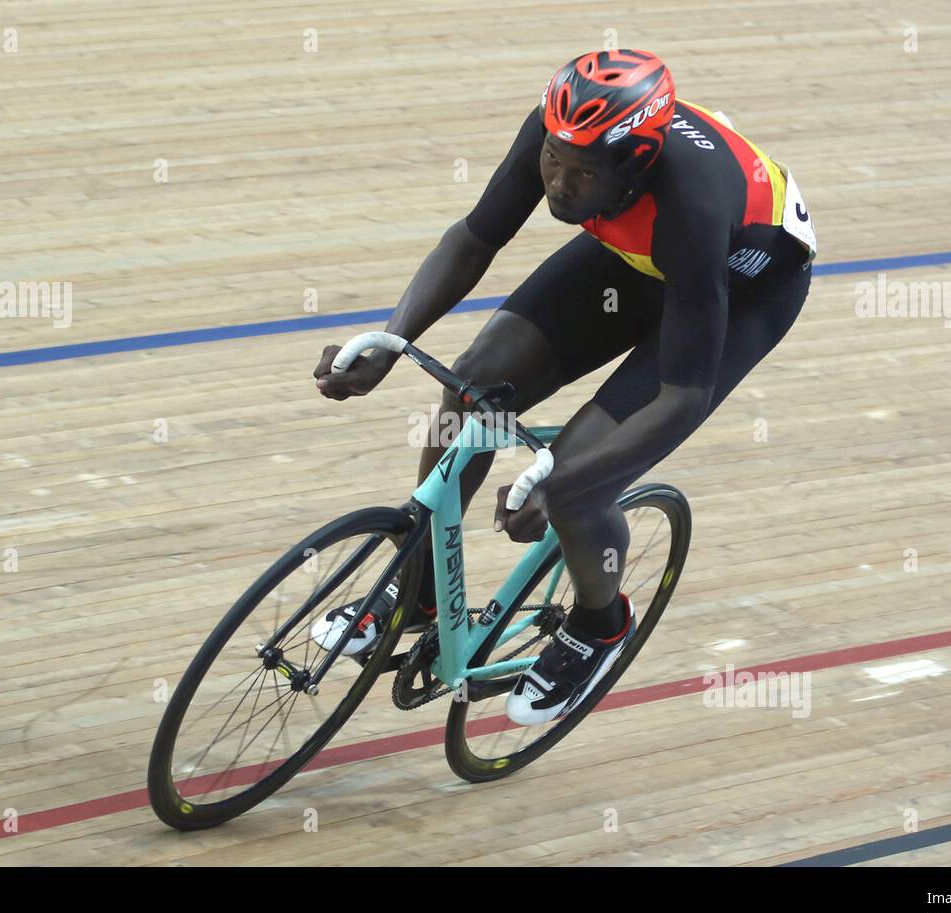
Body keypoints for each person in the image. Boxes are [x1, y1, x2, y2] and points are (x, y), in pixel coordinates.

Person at [311, 49, 817, 725]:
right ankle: (419, 592)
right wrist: (391, 340)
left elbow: (682, 398)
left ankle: (601, 624)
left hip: (736, 291)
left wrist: (557, 485)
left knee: (580, 480)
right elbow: (472, 238)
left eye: (580, 174)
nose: (557, 183)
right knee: (474, 388)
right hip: (634, 259)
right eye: (553, 161)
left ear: (635, 163)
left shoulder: (694, 202)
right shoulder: (563, 135)